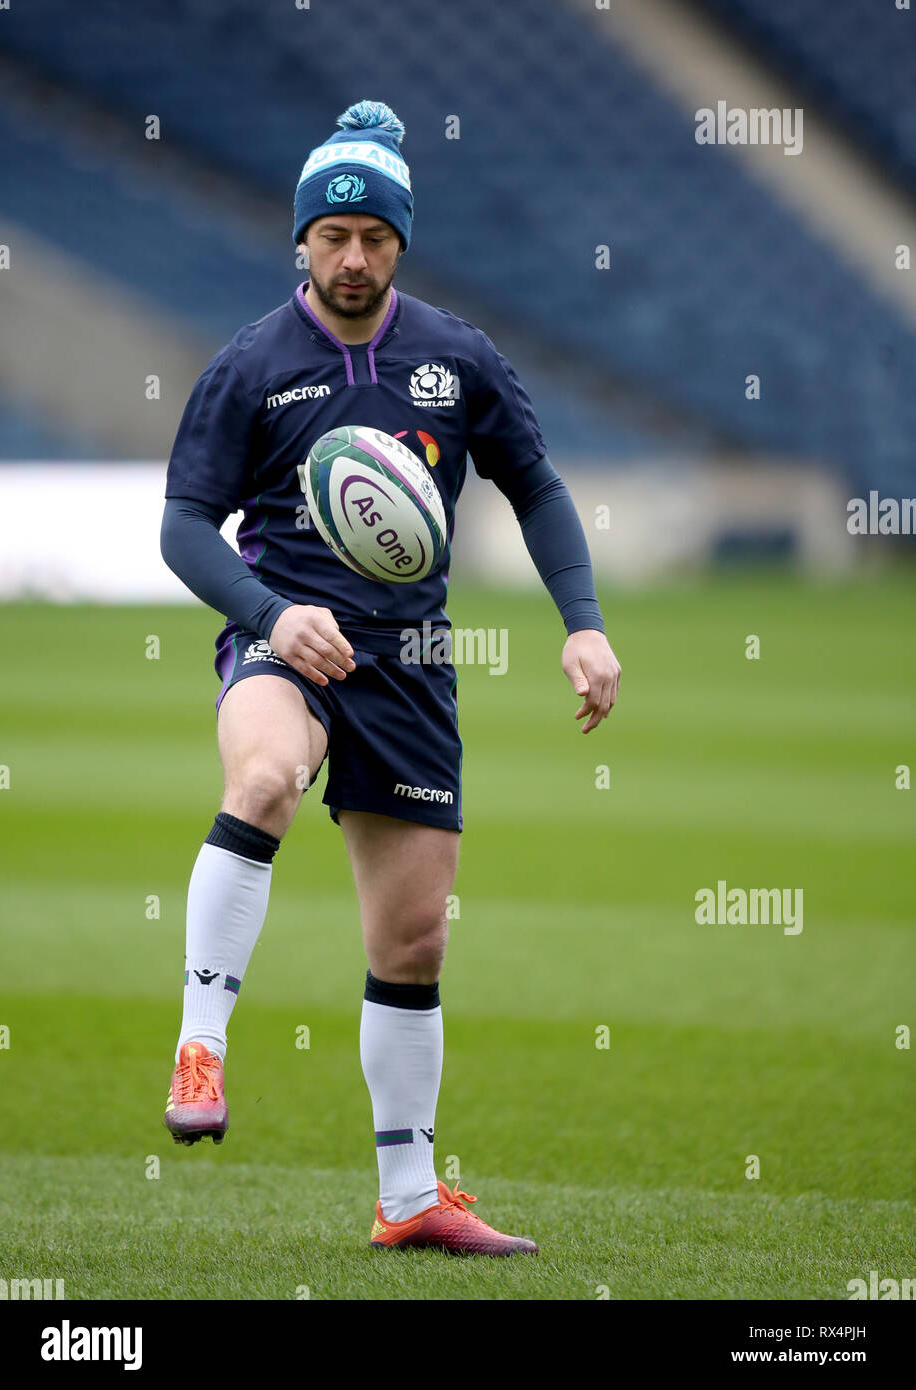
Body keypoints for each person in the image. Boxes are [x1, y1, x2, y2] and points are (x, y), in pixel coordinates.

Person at [159, 100, 621, 1256]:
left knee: (412, 943)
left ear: (399, 242)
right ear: (301, 242)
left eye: (373, 236)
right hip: (283, 641)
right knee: (263, 776)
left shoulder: (456, 356)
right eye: (332, 235)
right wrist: (270, 613)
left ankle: (409, 1196)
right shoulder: (250, 364)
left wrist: (582, 623)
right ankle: (200, 1041)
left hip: (411, 664)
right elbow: (181, 527)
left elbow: (539, 485)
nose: (352, 256)